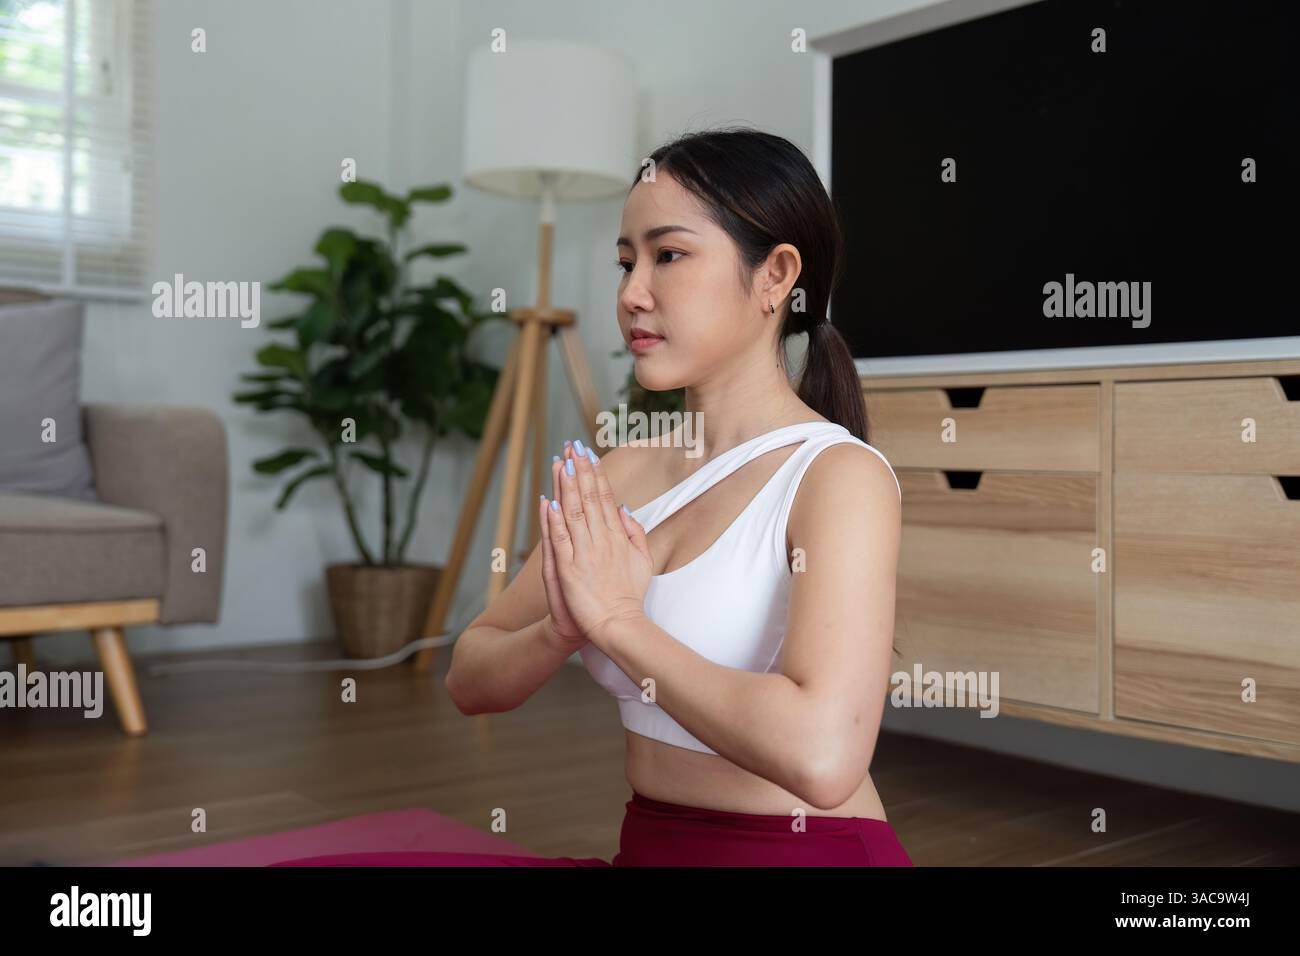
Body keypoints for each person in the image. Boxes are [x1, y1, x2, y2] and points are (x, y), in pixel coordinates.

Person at [273, 126, 912, 867]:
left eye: (668, 256)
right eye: (625, 262)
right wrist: (562, 629)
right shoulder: (621, 473)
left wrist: (616, 622)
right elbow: (470, 676)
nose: (632, 293)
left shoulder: (837, 477)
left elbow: (825, 755)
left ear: (775, 276)